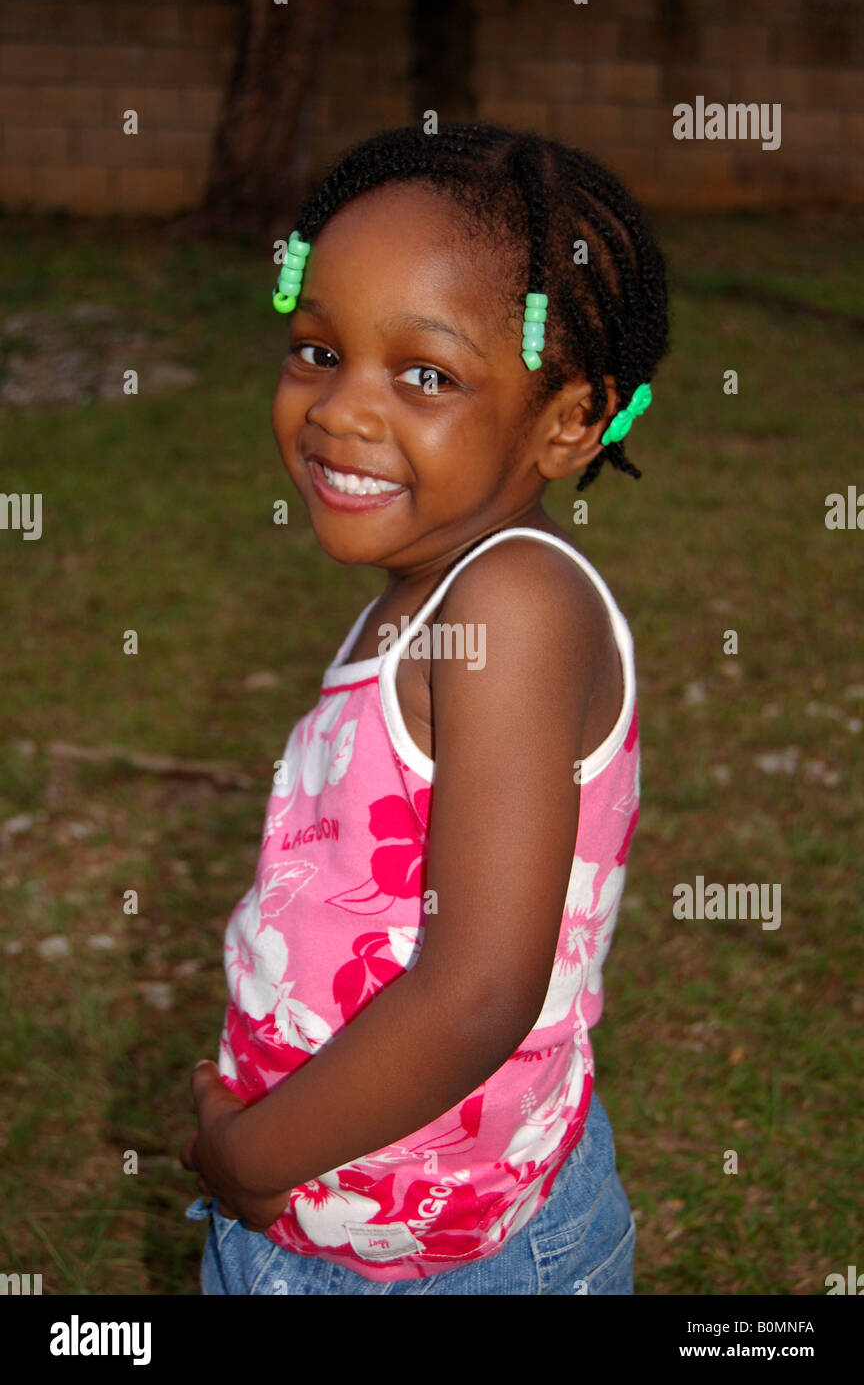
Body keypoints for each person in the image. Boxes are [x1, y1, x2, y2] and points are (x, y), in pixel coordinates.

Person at [182, 123, 670, 1295]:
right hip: (328, 1208)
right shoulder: (428, 589)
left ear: (567, 421)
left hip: (446, 1265)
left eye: (425, 374)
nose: (341, 410)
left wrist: (248, 1153)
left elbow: (477, 991)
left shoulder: (511, 604)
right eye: (316, 350)